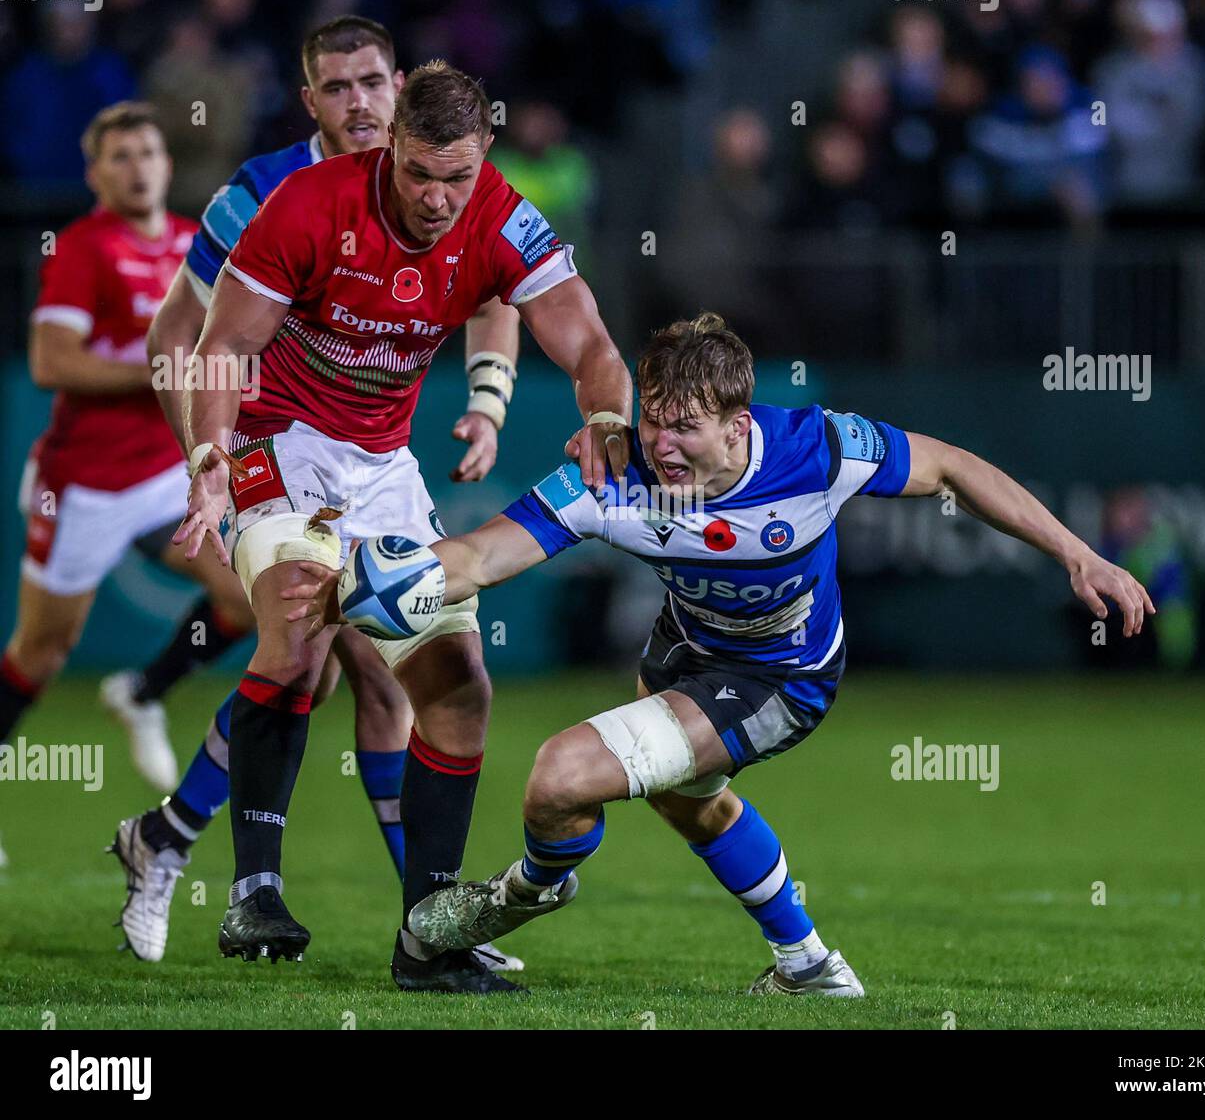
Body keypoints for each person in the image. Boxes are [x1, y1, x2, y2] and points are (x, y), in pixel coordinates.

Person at [285, 312, 1155, 995]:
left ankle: (525, 892)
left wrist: (1078, 553)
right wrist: (387, 578)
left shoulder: (816, 448)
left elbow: (957, 468)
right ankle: (811, 966)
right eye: (651, 419)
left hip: (784, 677)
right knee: (690, 804)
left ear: (739, 425)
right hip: (683, 657)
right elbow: (481, 556)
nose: (660, 445)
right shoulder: (613, 472)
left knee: (557, 776)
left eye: (684, 429)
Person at [174, 59, 632, 994]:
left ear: (485, 156)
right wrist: (209, 457)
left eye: (455, 177)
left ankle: (430, 935)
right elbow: (223, 344)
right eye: (418, 173)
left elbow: (588, 342)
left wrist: (608, 418)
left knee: (460, 687)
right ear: (390, 146)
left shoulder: (502, 218)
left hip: (382, 466)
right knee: (298, 625)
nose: (434, 197)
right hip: (277, 440)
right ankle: (254, 887)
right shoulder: (309, 205)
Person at [110, 17, 520, 976]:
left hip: (369, 460)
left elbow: (499, 286)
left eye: (374, 80)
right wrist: (207, 461)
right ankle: (408, 916)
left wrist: (488, 399)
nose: (361, 103)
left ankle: (173, 840)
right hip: (267, 456)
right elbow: (178, 332)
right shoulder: (262, 194)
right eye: (337, 88)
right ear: (311, 102)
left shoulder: (431, 183)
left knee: (371, 676)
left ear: (401, 84)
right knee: (324, 659)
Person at [0, 101, 253, 798]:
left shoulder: (192, 244)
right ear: (95, 175)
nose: (137, 168)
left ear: (168, 165)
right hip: (87, 481)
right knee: (42, 652)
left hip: (166, 472)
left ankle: (143, 691)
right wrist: (166, 366)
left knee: (247, 598)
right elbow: (51, 362)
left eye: (147, 153)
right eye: (120, 157)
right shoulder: (85, 247)